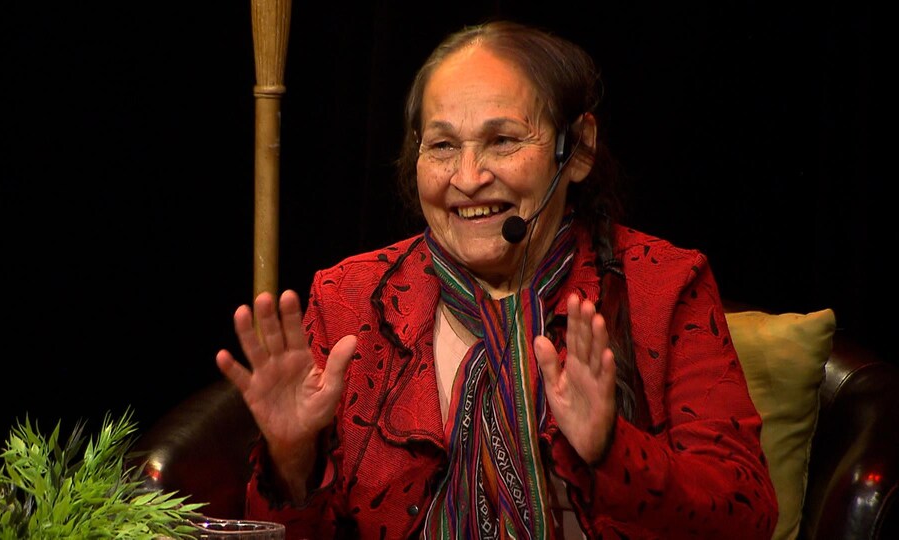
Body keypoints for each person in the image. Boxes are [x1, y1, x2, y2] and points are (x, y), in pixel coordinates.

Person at [216, 20, 778, 539]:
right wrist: (292, 457)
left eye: (502, 140)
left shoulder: (664, 284)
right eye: (442, 146)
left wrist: (612, 450)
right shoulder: (349, 297)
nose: (467, 178)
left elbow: (748, 515)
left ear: (577, 148)